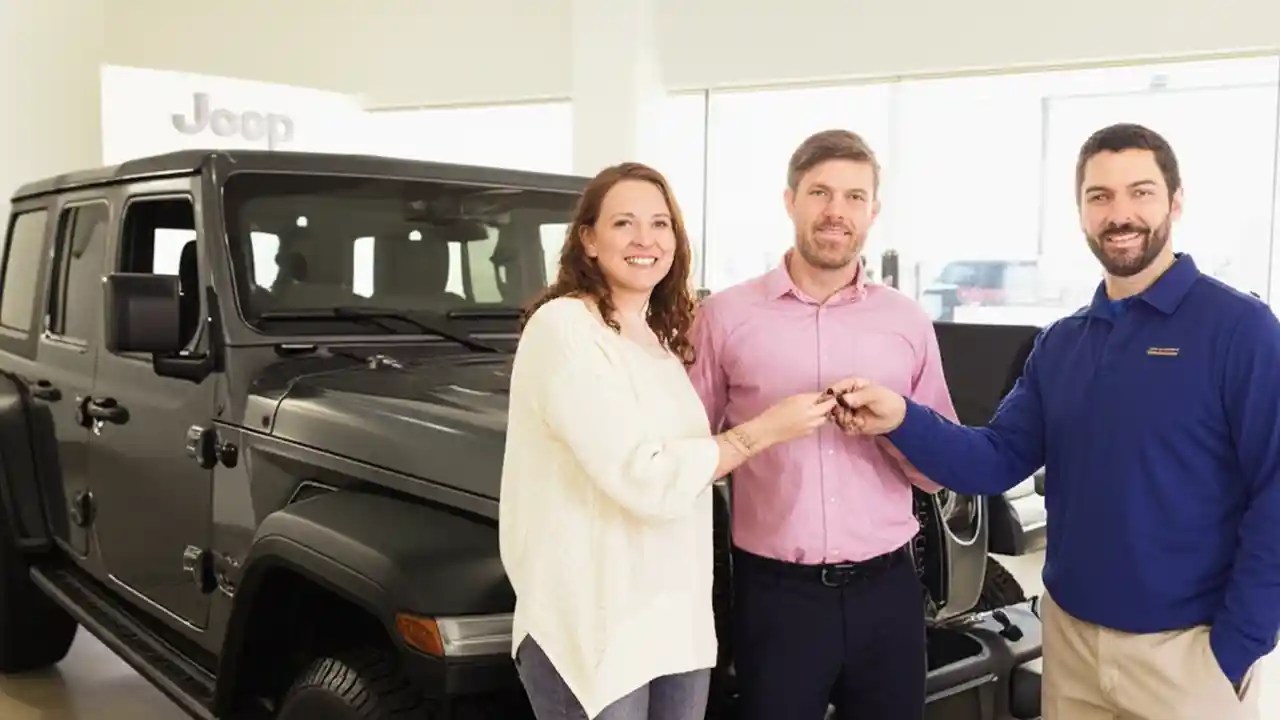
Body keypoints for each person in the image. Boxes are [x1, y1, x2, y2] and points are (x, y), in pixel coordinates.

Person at [831, 123, 1280, 720]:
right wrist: (900, 417)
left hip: (1188, 657)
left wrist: (1238, 645)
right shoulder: (1063, 344)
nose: (1120, 213)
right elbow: (993, 460)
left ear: (1175, 201)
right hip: (1071, 646)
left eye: (1140, 192)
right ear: (1081, 212)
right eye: (1100, 196)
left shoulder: (1240, 329)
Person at [499, 161, 836, 720]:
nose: (645, 240)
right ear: (588, 239)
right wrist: (766, 431)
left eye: (660, 224)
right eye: (624, 224)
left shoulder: (653, 338)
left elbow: (683, 464)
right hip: (594, 623)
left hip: (672, 618)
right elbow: (645, 477)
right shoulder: (564, 327)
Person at [686, 129, 958, 720]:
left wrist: (896, 424)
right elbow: (684, 459)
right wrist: (763, 431)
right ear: (791, 202)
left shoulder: (907, 322)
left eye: (855, 197)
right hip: (775, 597)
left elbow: (940, 472)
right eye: (820, 193)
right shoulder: (723, 318)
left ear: (873, 212)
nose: (837, 212)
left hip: (888, 593)